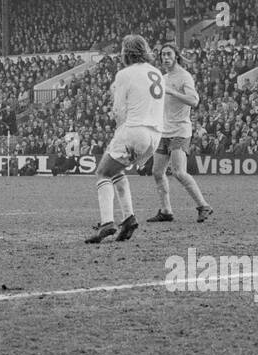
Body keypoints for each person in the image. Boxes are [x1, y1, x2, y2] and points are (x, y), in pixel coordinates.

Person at [86, 35, 164, 244]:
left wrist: (120, 134)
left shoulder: (124, 74)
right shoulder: (157, 73)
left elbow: (119, 111)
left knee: (102, 172)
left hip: (134, 130)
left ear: (127, 52)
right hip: (155, 135)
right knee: (116, 171)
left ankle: (107, 224)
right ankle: (129, 219)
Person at [147, 43, 213, 223]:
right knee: (157, 172)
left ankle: (203, 205)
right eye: (162, 55)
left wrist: (172, 92)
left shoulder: (184, 76)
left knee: (178, 172)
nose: (165, 58)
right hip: (163, 130)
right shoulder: (161, 77)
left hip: (180, 130)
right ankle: (166, 211)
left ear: (176, 55)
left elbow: (194, 100)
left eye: (168, 54)